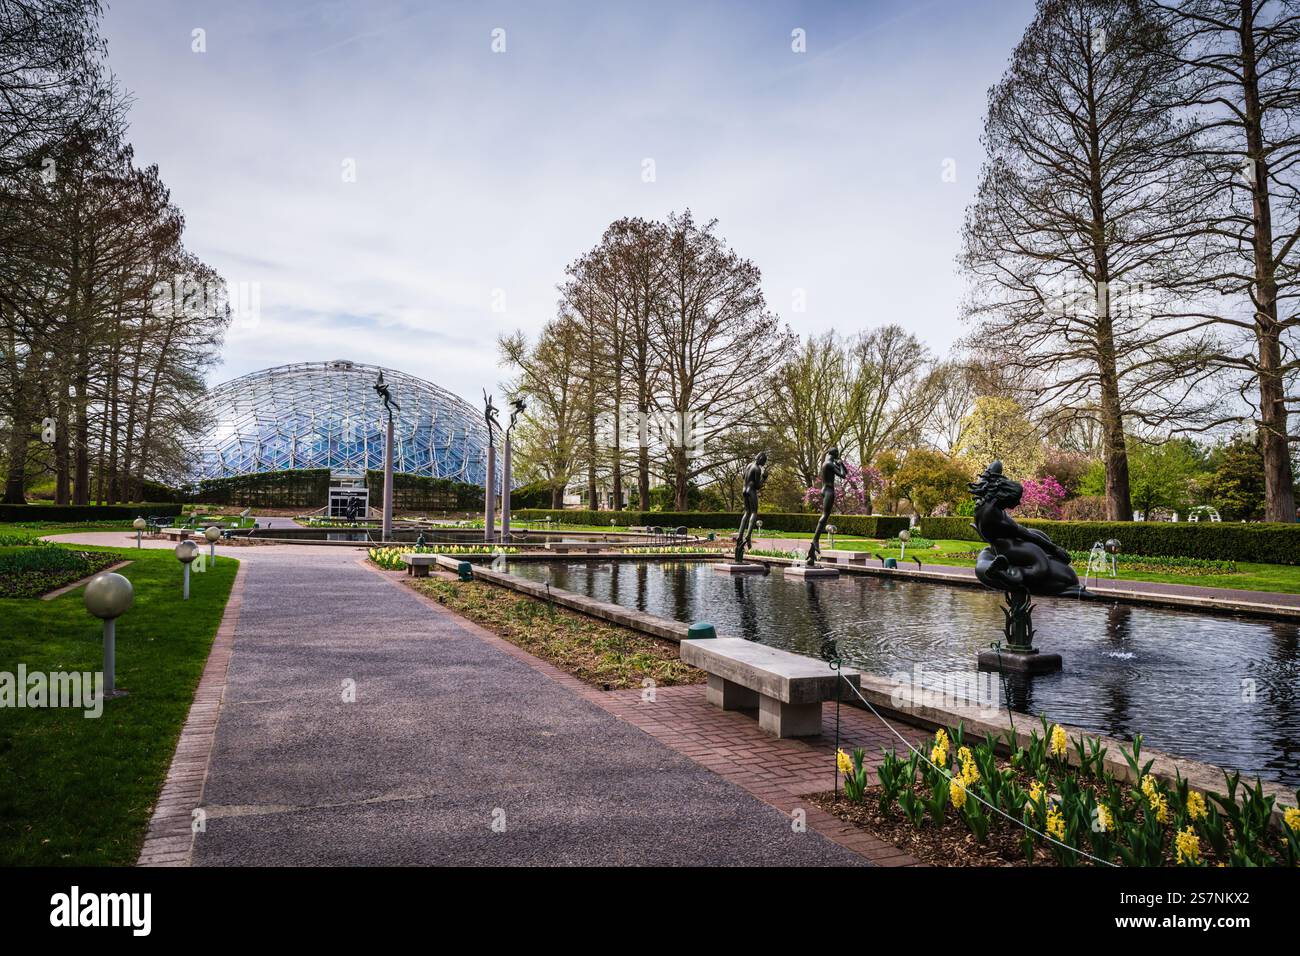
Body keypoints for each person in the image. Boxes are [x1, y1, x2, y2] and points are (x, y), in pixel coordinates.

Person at [806, 446, 846, 566]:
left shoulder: (827, 463)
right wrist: (841, 464)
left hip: (825, 490)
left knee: (825, 515)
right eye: (838, 453)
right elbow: (843, 476)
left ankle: (811, 555)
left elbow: (845, 472)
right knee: (825, 516)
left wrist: (841, 465)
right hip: (829, 491)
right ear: (835, 454)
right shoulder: (829, 464)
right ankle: (815, 539)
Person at [734, 451, 770, 563]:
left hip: (744, 490)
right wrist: (764, 478)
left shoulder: (748, 465)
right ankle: (748, 536)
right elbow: (758, 486)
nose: (764, 463)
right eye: (764, 461)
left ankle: (740, 536)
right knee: (754, 512)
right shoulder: (757, 469)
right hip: (751, 491)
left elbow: (744, 476)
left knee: (746, 512)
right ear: (760, 459)